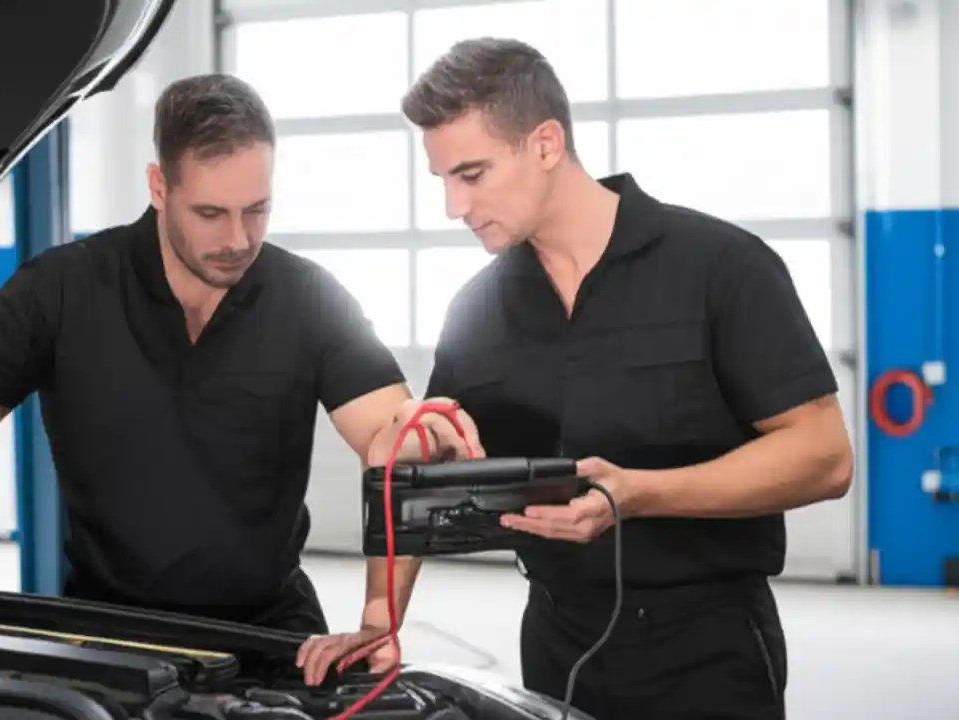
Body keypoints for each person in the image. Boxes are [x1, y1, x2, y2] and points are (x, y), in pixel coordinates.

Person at [298, 38, 853, 720]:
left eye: (471, 173)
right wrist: (381, 616)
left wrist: (639, 493)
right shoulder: (477, 310)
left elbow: (824, 458)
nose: (453, 205)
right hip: (557, 645)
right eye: (442, 178)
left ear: (546, 143)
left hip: (709, 647)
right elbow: (426, 487)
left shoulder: (720, 269)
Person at [0, 73, 478, 635]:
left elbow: (391, 444)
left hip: (270, 632)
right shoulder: (61, 289)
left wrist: (379, 614)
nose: (237, 238)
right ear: (158, 186)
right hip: (109, 629)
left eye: (258, 210)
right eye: (210, 212)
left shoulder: (308, 296)